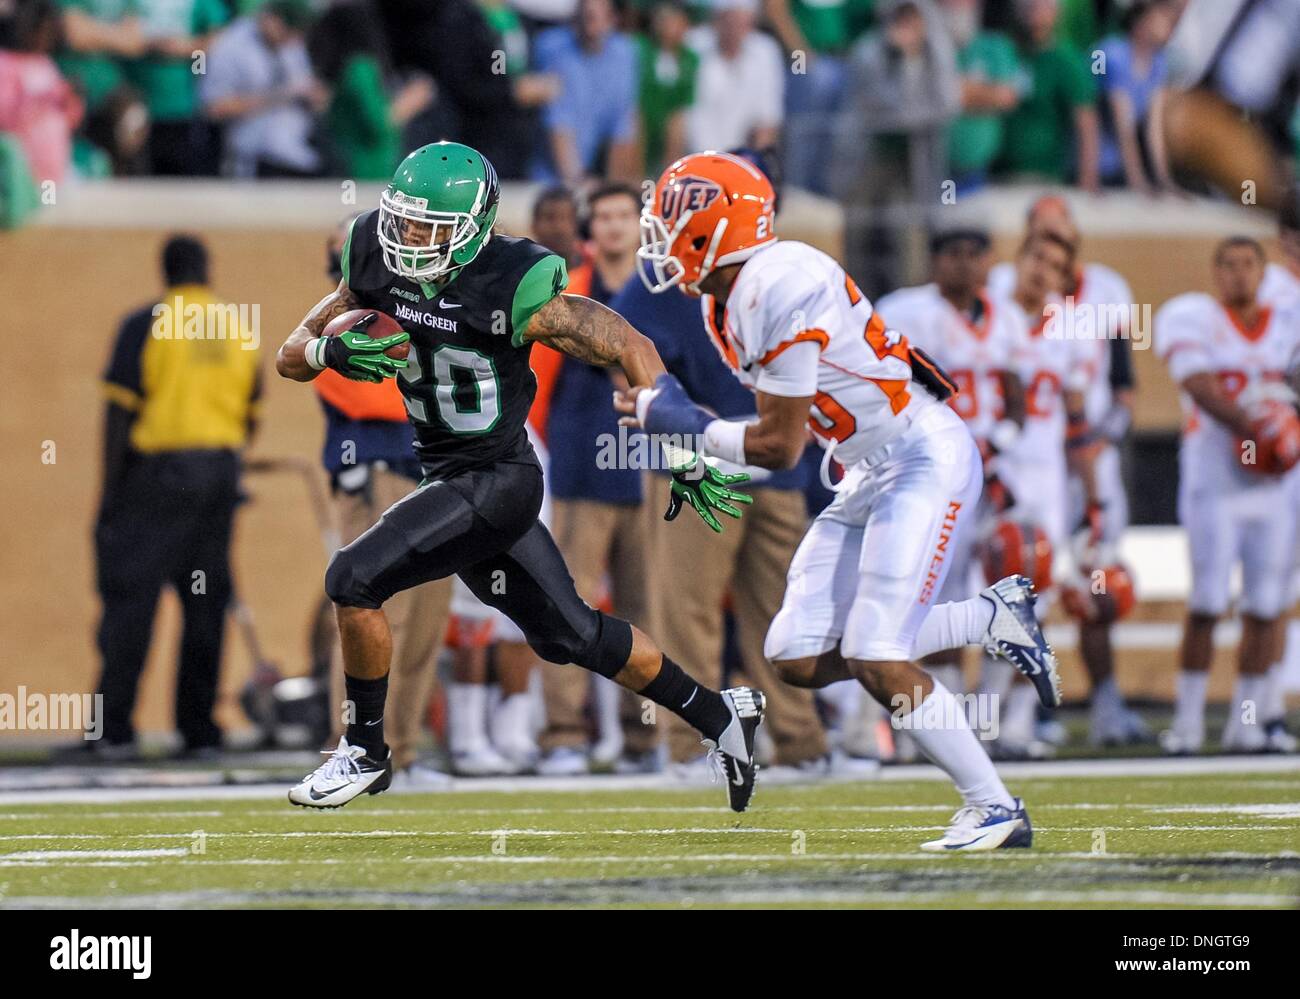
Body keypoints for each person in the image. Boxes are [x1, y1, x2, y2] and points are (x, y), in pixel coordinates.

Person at [276, 141, 766, 812]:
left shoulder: (512, 279)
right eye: (404, 220)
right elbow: (289, 355)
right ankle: (720, 716)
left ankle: (364, 749)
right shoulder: (371, 252)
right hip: (451, 477)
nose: (410, 239)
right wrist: (328, 346)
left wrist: (678, 439)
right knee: (574, 635)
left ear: (475, 229)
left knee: (352, 579)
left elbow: (631, 344)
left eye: (431, 228)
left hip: (499, 479)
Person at [621, 151, 1063, 850]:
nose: (662, 237)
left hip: (920, 456)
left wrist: (685, 425)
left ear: (720, 225)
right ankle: (987, 615)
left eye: (676, 221)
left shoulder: (776, 284)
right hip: (867, 470)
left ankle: (995, 806)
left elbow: (778, 448)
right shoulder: (728, 296)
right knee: (793, 655)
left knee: (874, 650)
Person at [95, 235, 261, 758]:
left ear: (165, 272)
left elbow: (120, 413)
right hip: (218, 475)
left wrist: (109, 495)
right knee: (205, 606)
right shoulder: (236, 327)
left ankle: (113, 729)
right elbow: (250, 411)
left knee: (131, 604)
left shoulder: (145, 323)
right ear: (206, 270)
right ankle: (199, 730)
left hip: (157, 477)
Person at [989, 197, 1146, 747]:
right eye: (1037, 251)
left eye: (1056, 259)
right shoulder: (989, 311)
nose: (1043, 268)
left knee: (1038, 597)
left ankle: (1009, 721)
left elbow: (1082, 417)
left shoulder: (1077, 326)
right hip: (979, 469)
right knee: (961, 595)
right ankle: (914, 721)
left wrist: (1096, 492)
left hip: (1051, 475)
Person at [874, 228, 1028, 753]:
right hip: (935, 472)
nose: (965, 265)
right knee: (932, 595)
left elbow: (1014, 392)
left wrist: (1000, 443)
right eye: (953, 254)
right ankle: (937, 726)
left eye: (975, 255)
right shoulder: (909, 311)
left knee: (1018, 576)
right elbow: (894, 390)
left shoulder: (1004, 315)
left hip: (990, 473)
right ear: (935, 261)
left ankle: (994, 722)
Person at [316, 219, 454, 787]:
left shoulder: (417, 309)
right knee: (377, 613)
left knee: (425, 622)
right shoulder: (341, 319)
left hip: (434, 474)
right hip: (381, 472)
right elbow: (377, 394)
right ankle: (350, 745)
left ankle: (403, 749)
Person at [1155, 238, 1300, 754]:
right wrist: (1260, 427)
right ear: (1216, 273)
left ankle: (1248, 723)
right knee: (1208, 601)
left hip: (1273, 485)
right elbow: (1198, 386)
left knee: (1266, 605)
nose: (1239, 275)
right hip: (1214, 481)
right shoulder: (1195, 319)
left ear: (1263, 273)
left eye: (1248, 265)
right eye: (1229, 266)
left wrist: (1288, 426)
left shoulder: (1288, 323)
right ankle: (1188, 725)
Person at [534, 183, 660, 774]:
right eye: (602, 217)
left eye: (623, 216)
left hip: (649, 473)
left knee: (648, 609)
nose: (612, 227)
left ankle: (646, 738)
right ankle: (563, 734)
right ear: (589, 230)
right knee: (566, 605)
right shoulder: (567, 292)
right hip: (584, 471)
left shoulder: (661, 292)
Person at [306, 3, 433, 180]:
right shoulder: (360, 69)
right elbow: (378, 124)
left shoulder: (341, 70)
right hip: (368, 170)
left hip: (347, 168)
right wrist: (412, 101)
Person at [199, 0, 322, 178]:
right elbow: (213, 107)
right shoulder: (230, 45)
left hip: (300, 154)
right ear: (271, 18)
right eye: (287, 30)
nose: (291, 39)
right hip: (253, 159)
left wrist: (314, 96)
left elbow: (306, 85)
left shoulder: (292, 45)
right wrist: (279, 96)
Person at [994, 0, 1100, 192]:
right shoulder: (1003, 51)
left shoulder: (1066, 60)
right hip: (994, 172)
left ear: (1055, 14)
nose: (1034, 15)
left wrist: (1088, 177)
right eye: (1029, 7)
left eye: (1041, 8)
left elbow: (1086, 121)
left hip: (1041, 176)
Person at [533, 0, 639, 185]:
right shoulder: (553, 47)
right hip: (544, 175)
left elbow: (623, 127)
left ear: (613, 19)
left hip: (587, 168)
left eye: (596, 16)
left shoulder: (625, 53)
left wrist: (617, 189)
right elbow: (559, 123)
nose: (590, 24)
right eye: (586, 16)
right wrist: (577, 182)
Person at [1094, 0, 1177, 192]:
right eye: (1161, 19)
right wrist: (1137, 181)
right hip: (1095, 165)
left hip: (1120, 166)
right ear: (1141, 24)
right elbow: (1123, 125)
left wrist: (1165, 181)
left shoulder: (1158, 62)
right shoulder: (1111, 54)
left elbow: (1153, 128)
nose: (1168, 25)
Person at [684, 0, 784, 154]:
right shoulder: (692, 45)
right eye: (729, 19)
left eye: (741, 21)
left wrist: (756, 164)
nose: (734, 28)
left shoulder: (766, 52)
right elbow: (683, 114)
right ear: (717, 20)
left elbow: (767, 121)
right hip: (694, 155)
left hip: (741, 161)